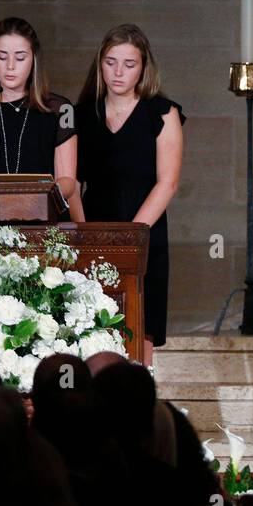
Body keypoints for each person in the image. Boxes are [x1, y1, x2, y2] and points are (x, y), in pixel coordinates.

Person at [76, 23, 183, 363]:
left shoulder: (163, 114)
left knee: (140, 329)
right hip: (93, 226)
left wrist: (132, 236)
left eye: (129, 63)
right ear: (100, 64)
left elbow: (167, 182)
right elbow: (72, 183)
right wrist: (83, 234)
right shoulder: (80, 114)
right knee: (89, 326)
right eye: (110, 62)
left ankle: (138, 407)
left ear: (143, 67)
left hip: (145, 229)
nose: (118, 72)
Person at [0, 17, 81, 218]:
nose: (10, 66)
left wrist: (31, 202)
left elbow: (67, 180)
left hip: (43, 220)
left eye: (20, 57)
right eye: (2, 57)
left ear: (33, 59)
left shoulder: (62, 109)